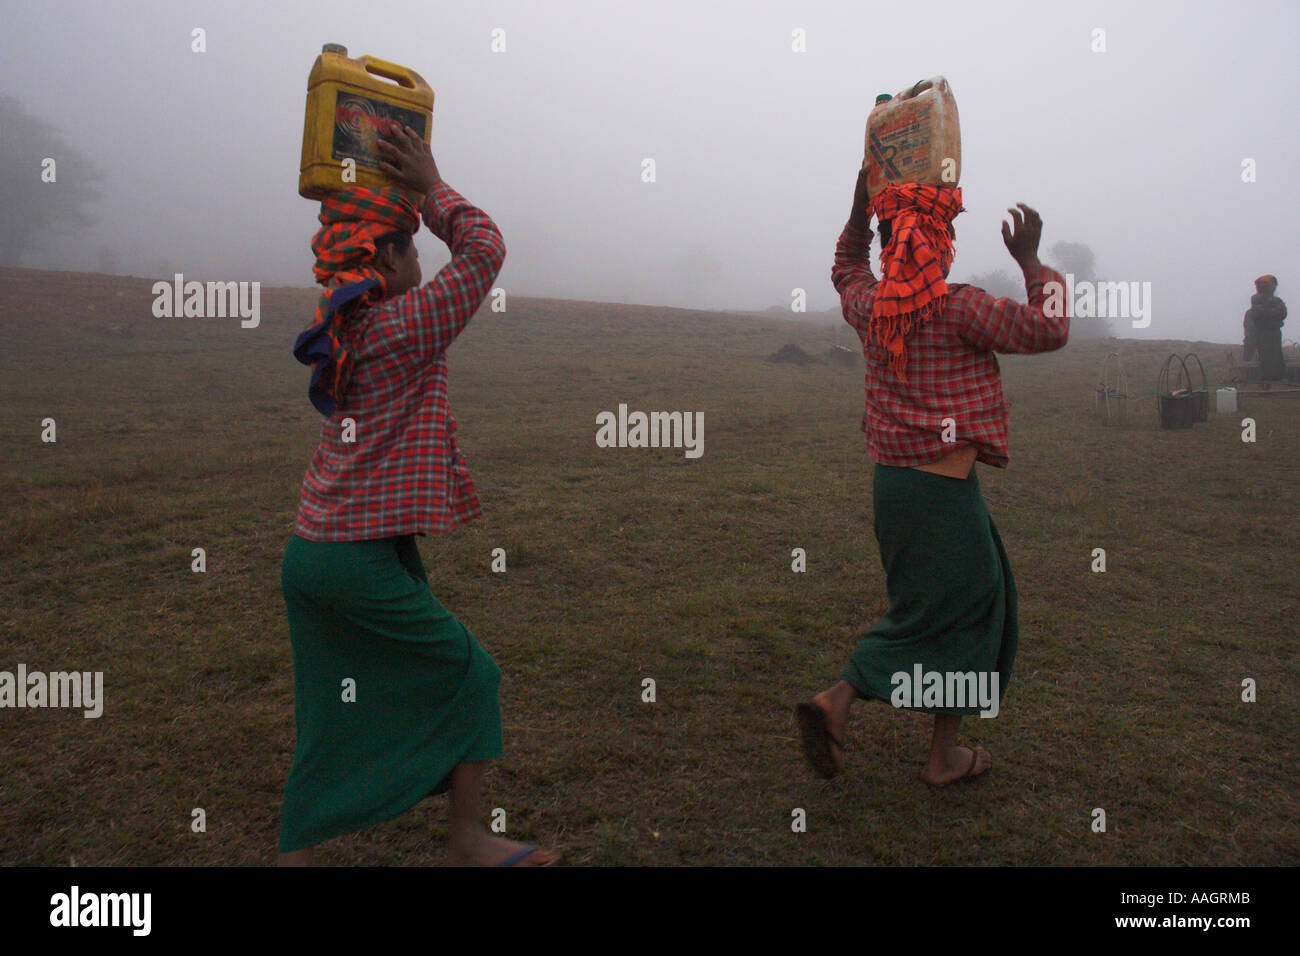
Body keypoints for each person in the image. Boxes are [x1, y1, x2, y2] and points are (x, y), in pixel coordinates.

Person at [277, 125, 555, 866]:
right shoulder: (404, 324)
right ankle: (468, 842)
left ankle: (295, 855)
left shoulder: (344, 332)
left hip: (311, 554)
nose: (424, 264)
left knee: (328, 716)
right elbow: (486, 248)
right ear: (388, 259)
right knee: (470, 674)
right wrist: (433, 184)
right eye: (413, 250)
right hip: (354, 559)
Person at [796, 168, 1068, 787]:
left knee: (944, 605)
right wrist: (1030, 260)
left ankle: (941, 752)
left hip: (893, 487)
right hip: (942, 489)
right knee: (954, 613)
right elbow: (1050, 328)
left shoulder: (871, 308)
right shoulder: (961, 308)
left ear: (889, 241)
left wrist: (860, 204)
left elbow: (845, 265)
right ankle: (839, 701)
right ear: (942, 242)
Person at [1247, 275, 1287, 381]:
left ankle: (1278, 377)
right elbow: (1259, 313)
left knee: (1276, 354)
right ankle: (1267, 378)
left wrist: (1267, 311)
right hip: (1264, 331)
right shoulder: (1256, 298)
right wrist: (1273, 312)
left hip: (1273, 331)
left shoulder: (1276, 300)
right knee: (1265, 355)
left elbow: (1283, 313)